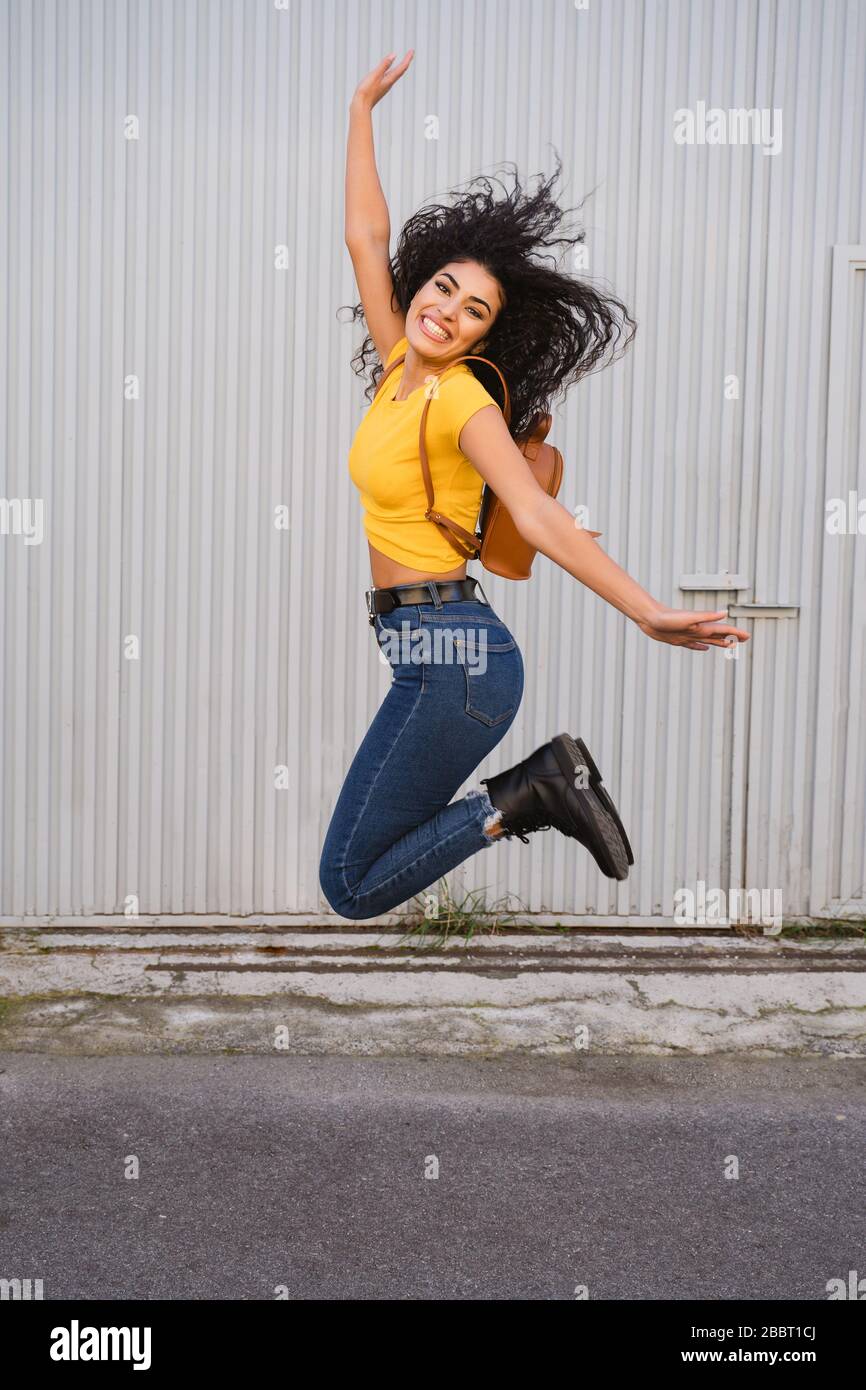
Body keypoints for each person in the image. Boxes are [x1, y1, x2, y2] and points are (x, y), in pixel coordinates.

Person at [319, 51, 750, 922]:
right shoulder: (401, 362)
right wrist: (362, 109)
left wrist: (647, 612)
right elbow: (367, 235)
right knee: (353, 874)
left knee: (350, 884)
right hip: (424, 649)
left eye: (474, 309)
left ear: (486, 335)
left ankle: (533, 796)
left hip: (457, 659)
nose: (447, 308)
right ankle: (532, 792)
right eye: (443, 287)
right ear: (424, 282)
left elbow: (535, 512)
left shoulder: (463, 396)